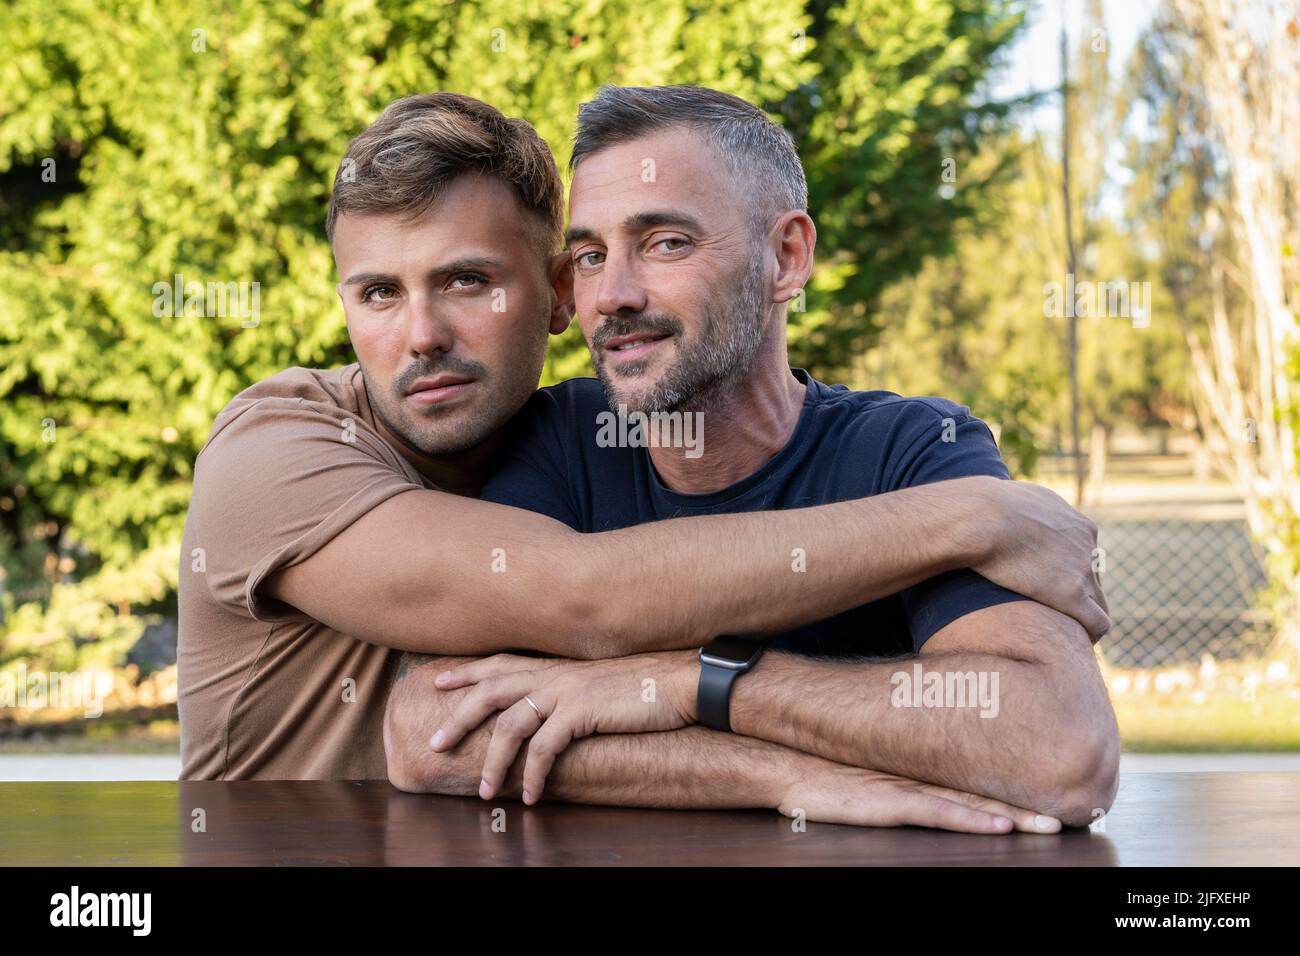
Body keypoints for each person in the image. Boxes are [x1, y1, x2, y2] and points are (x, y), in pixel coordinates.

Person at [179, 90, 1114, 833]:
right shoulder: (289, 449)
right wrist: (971, 522)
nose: (421, 336)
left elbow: (1059, 751)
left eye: (467, 280)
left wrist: (680, 684)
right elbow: (458, 712)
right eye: (378, 292)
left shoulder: (913, 447)